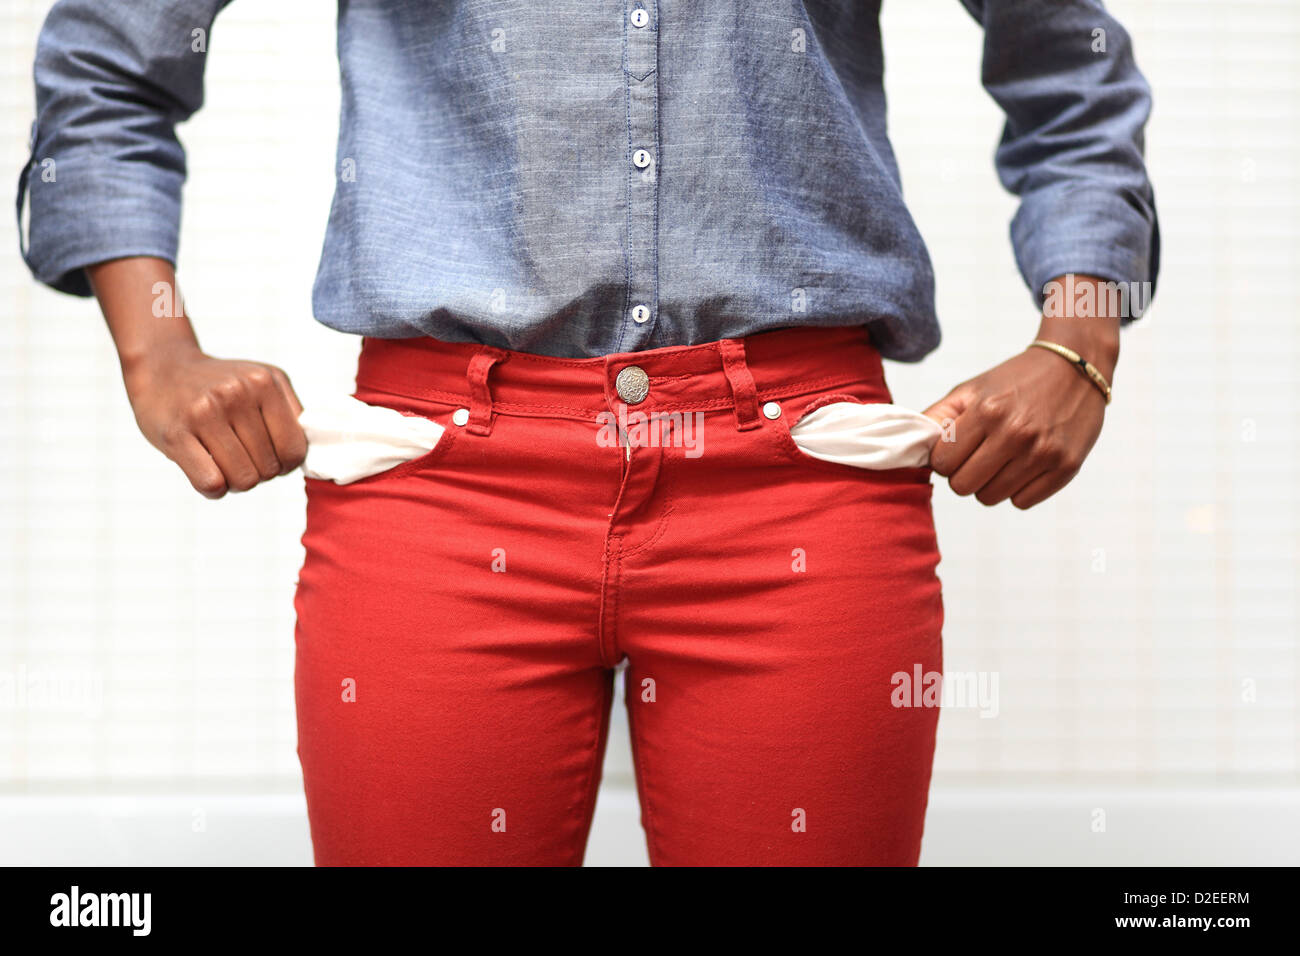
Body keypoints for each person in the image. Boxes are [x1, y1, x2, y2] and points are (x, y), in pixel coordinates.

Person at [17, 1, 1158, 866]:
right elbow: (111, 59)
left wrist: (1081, 337)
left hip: (798, 483)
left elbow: (1073, 68)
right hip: (439, 486)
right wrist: (154, 345)